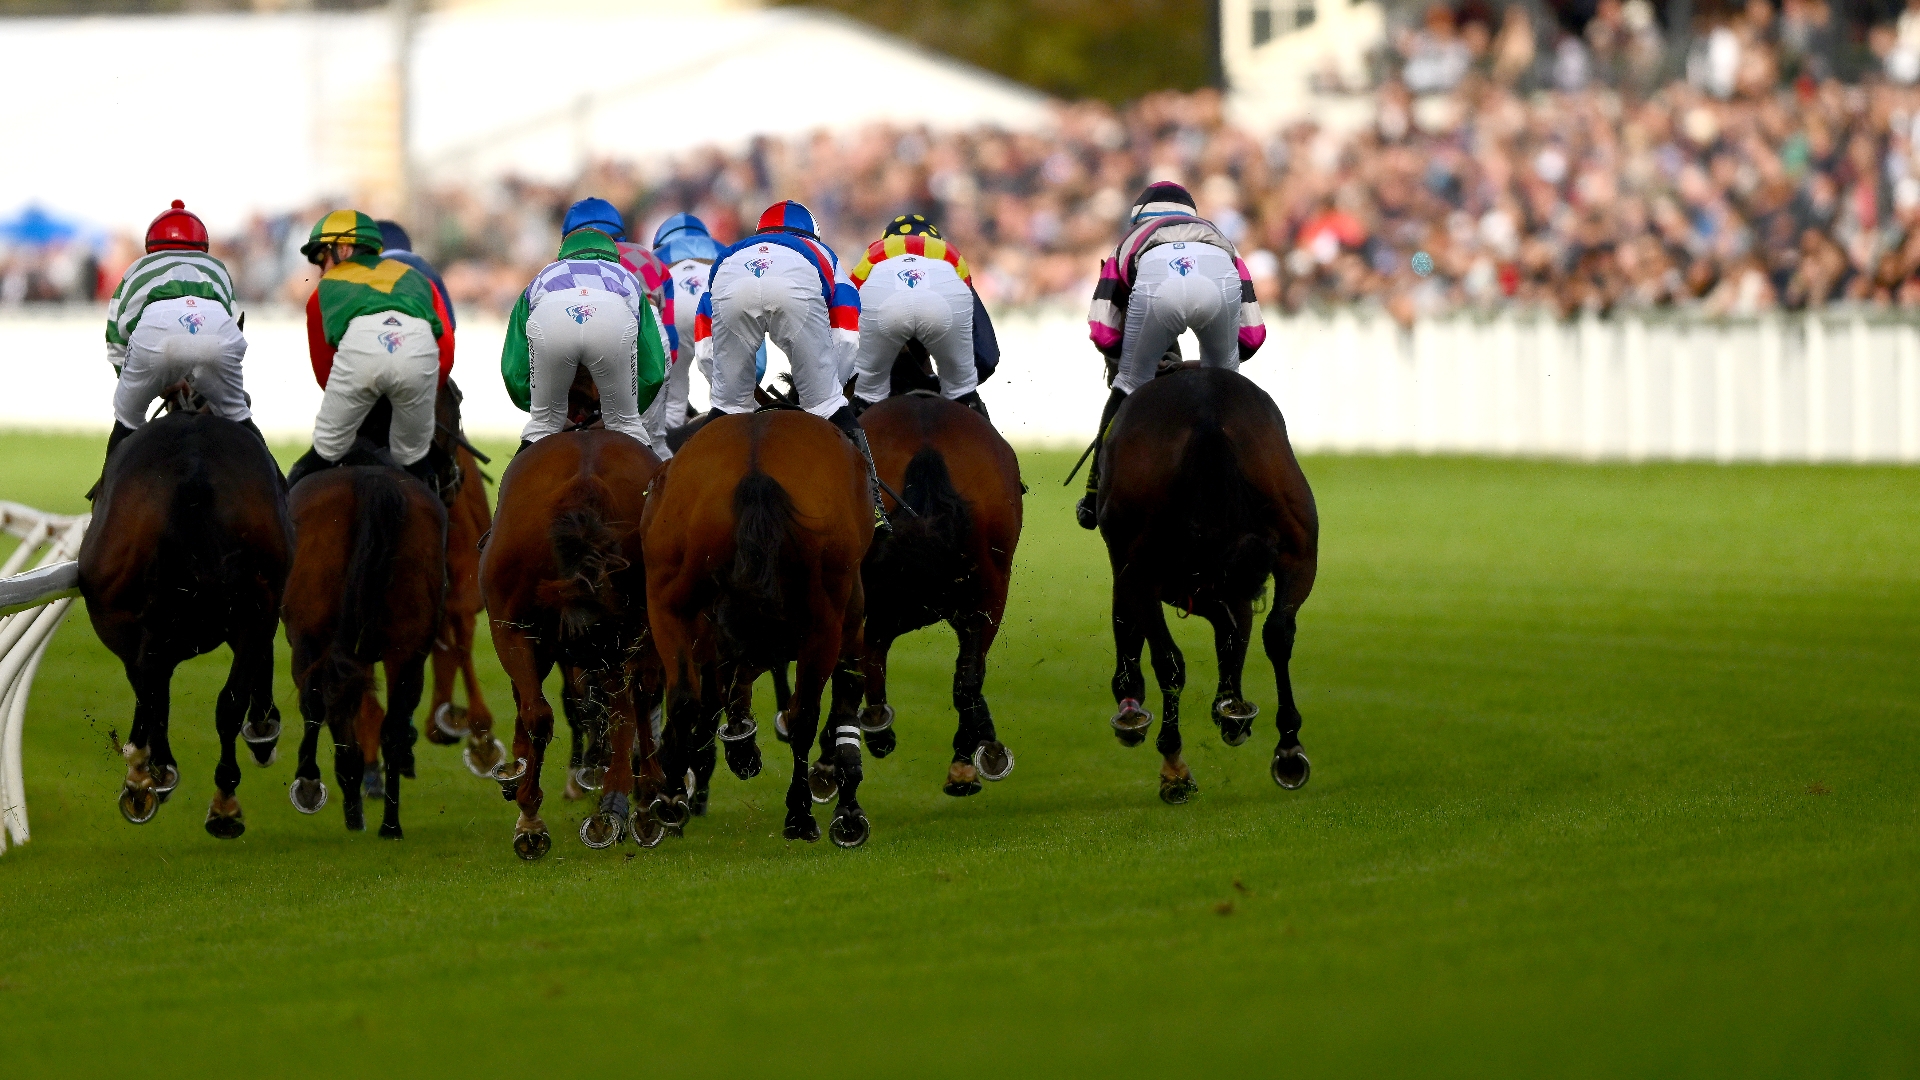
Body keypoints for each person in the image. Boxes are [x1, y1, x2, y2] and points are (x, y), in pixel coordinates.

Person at [1081, 181, 1267, 529]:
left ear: (1138, 218)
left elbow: (1102, 330)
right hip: (1219, 279)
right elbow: (1253, 336)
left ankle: (1093, 492)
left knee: (1127, 384)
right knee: (1226, 388)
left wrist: (1140, 363)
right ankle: (1245, 488)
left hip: (1155, 285)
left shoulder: (1129, 241)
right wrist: (1213, 367)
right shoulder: (1222, 242)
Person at [696, 199, 886, 528]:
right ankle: (874, 506)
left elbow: (706, 340)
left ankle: (690, 492)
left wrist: (727, 391)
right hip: (796, 284)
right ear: (813, 234)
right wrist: (828, 390)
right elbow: (846, 334)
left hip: (732, 283)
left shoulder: (735, 250)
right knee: (828, 403)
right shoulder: (821, 252)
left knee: (725, 409)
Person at [95, 199, 262, 496]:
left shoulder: (137, 269)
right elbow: (234, 326)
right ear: (202, 246)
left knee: (126, 418)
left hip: (155, 340)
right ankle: (277, 489)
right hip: (216, 337)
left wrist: (153, 383)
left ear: (151, 245)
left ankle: (107, 496)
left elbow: (117, 339)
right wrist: (209, 385)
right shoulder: (217, 268)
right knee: (238, 414)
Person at [286, 209, 455, 493]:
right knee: (415, 458)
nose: (319, 268)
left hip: (359, 363)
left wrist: (363, 398)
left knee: (323, 453)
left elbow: (324, 368)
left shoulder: (324, 289)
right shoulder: (418, 279)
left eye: (321, 257)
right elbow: (445, 348)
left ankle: (287, 519)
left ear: (343, 249)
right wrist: (421, 389)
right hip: (420, 359)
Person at [500, 206, 667, 451]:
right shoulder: (625, 276)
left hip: (551, 317)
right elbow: (653, 371)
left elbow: (513, 369)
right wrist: (621, 412)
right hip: (612, 317)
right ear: (613, 256)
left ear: (563, 255)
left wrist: (543, 409)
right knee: (627, 426)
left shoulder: (543, 277)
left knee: (542, 426)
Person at [846, 214, 997, 419]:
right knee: (965, 397)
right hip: (942, 312)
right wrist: (953, 384)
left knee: (861, 400)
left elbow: (843, 336)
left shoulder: (873, 258)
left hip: (880, 320)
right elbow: (987, 357)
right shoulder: (948, 260)